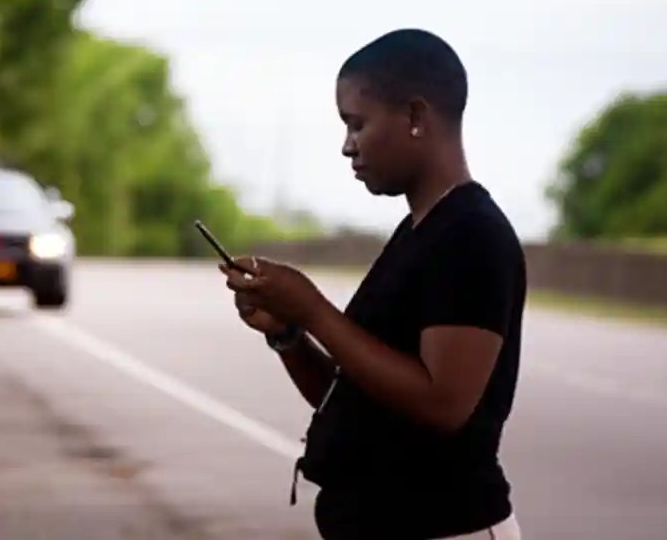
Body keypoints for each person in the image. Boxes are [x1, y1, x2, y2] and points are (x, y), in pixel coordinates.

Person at [221, 29, 526, 539]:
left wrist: (314, 310)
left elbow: (442, 404)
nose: (347, 147)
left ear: (415, 116)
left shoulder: (471, 236)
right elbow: (357, 395)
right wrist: (289, 335)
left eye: (356, 124)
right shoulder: (419, 232)